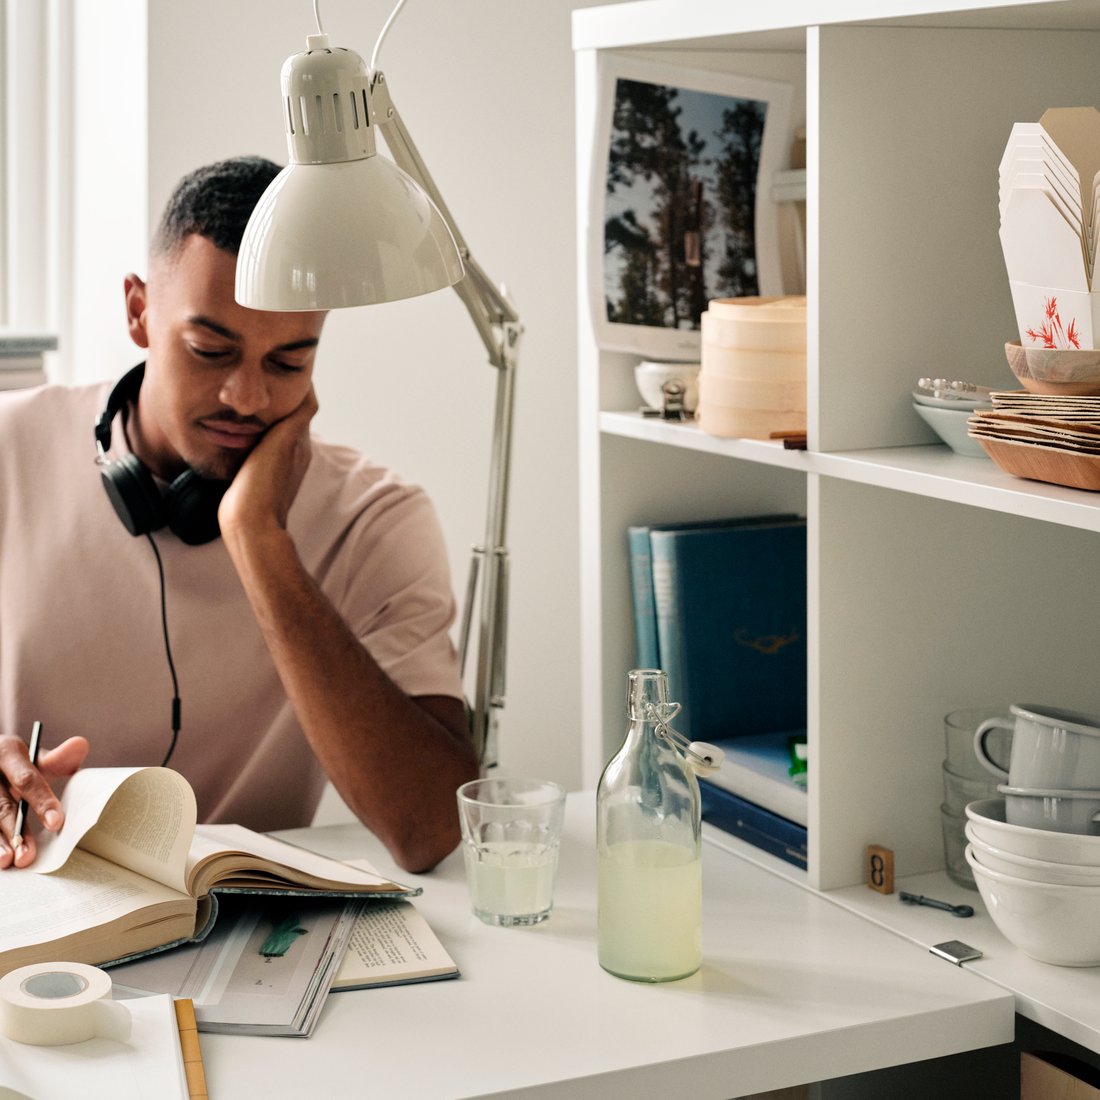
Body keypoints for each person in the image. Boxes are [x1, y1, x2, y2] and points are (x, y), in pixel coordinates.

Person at [0, 156, 478, 874]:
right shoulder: (9, 451)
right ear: (138, 311)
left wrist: (258, 538)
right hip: (31, 896)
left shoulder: (379, 519)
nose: (247, 398)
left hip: (246, 928)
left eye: (288, 364)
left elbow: (431, 827)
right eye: (210, 351)